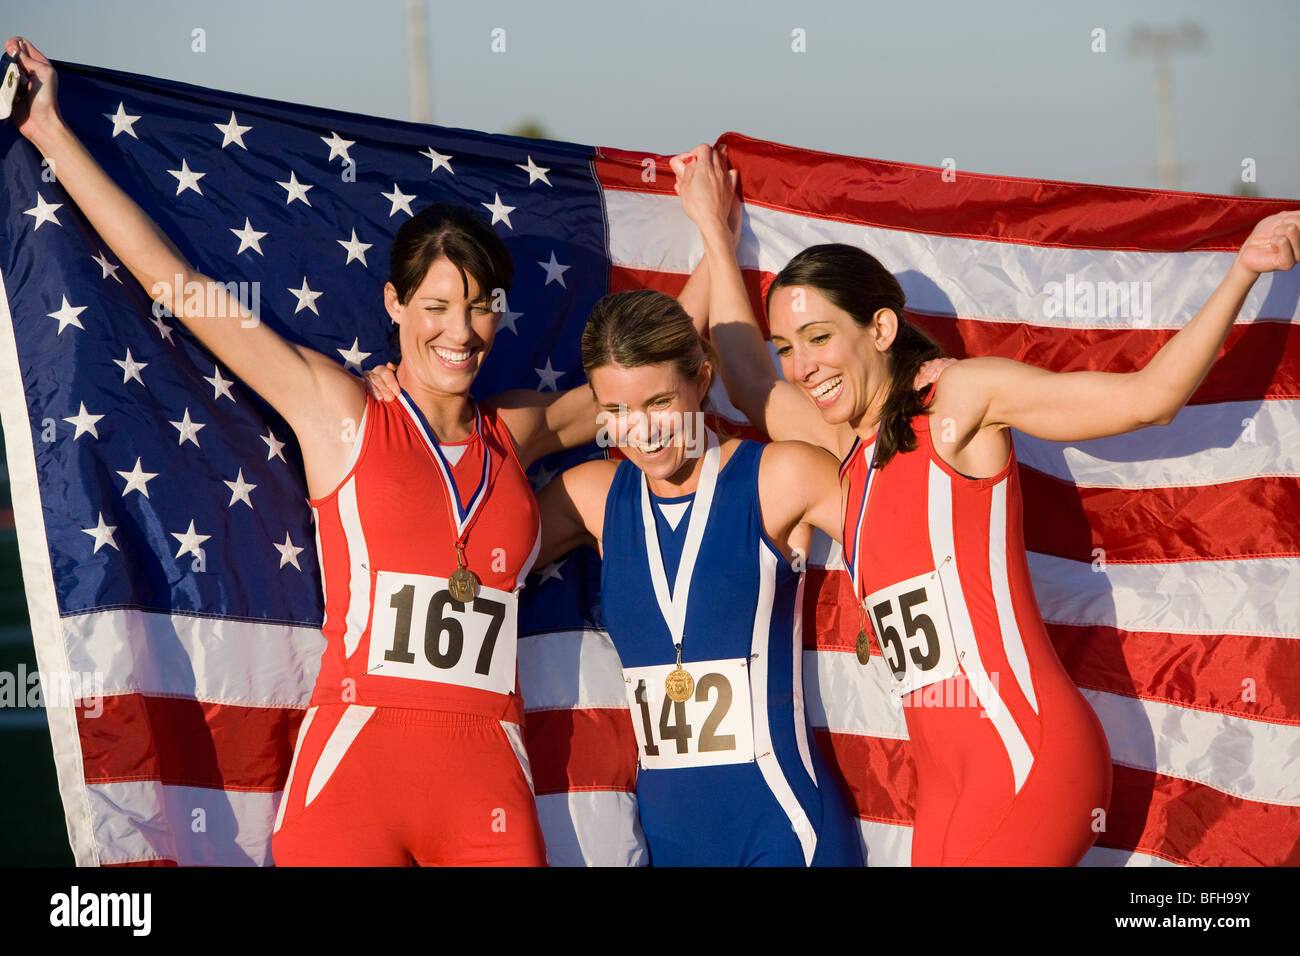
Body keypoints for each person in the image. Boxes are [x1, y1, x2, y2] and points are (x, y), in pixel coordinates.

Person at [3, 35, 723, 866]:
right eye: (437, 304)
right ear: (395, 303)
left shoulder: (514, 431)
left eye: (482, 306)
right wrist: (52, 134)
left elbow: (643, 376)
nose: (460, 330)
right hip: (352, 783)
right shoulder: (340, 410)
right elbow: (180, 289)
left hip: (489, 787)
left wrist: (710, 233)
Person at [672, 142, 1300, 865]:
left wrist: (1244, 270)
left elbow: (1148, 400)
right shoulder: (843, 449)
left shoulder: (958, 400)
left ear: (879, 329)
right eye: (789, 343)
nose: (803, 364)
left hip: (1029, 762)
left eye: (819, 338)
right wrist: (714, 234)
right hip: (944, 782)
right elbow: (750, 379)